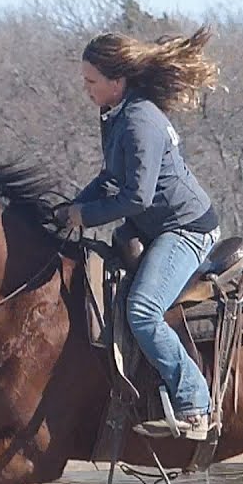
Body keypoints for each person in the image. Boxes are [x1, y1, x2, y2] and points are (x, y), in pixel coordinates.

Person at [54, 26, 222, 442]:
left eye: (91, 81)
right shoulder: (116, 114)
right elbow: (111, 179)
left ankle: (195, 405)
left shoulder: (138, 121)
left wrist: (82, 215)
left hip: (185, 228)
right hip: (155, 225)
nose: (86, 89)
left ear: (117, 81)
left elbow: (136, 198)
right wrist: (69, 209)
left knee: (143, 312)